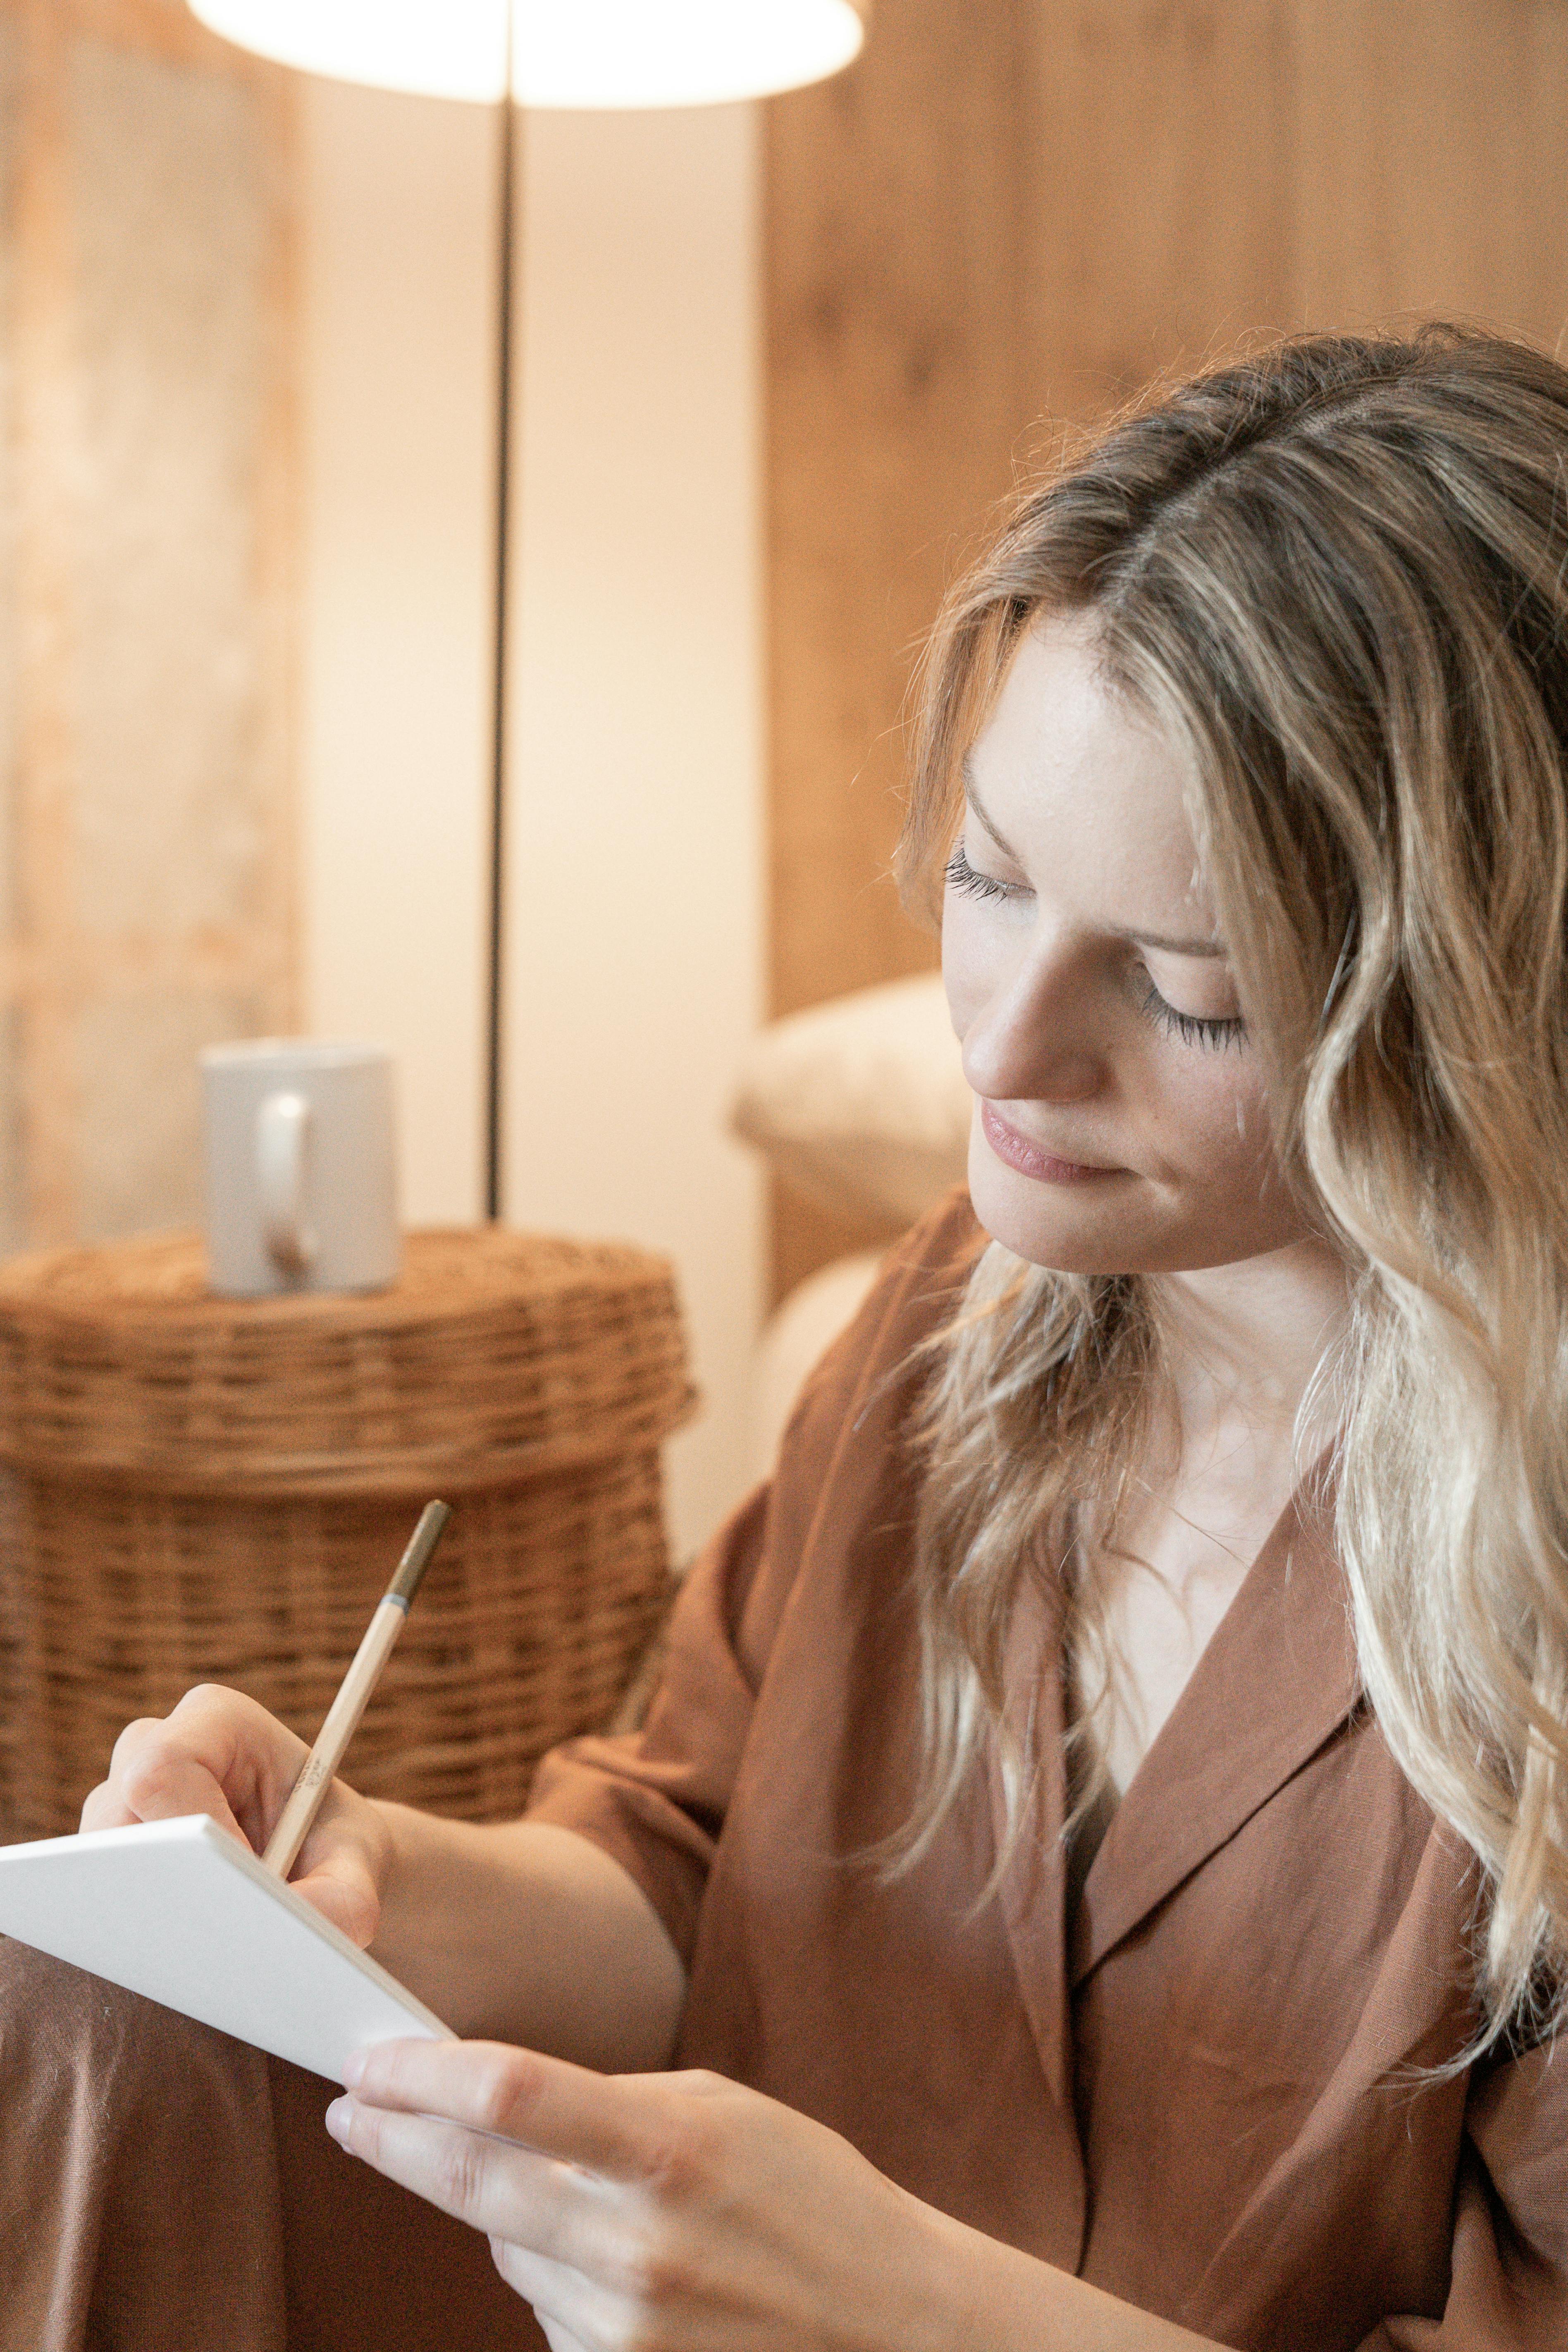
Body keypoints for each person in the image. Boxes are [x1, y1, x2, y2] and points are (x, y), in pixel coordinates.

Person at [10, 321, 1568, 2350]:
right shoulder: (952, 1324)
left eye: (1186, 993)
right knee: (91, 2015)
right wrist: (361, 1865)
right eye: (988, 881)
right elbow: (695, 1878)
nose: (1004, 1049)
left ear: (1481, 1003)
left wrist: (901, 2305)